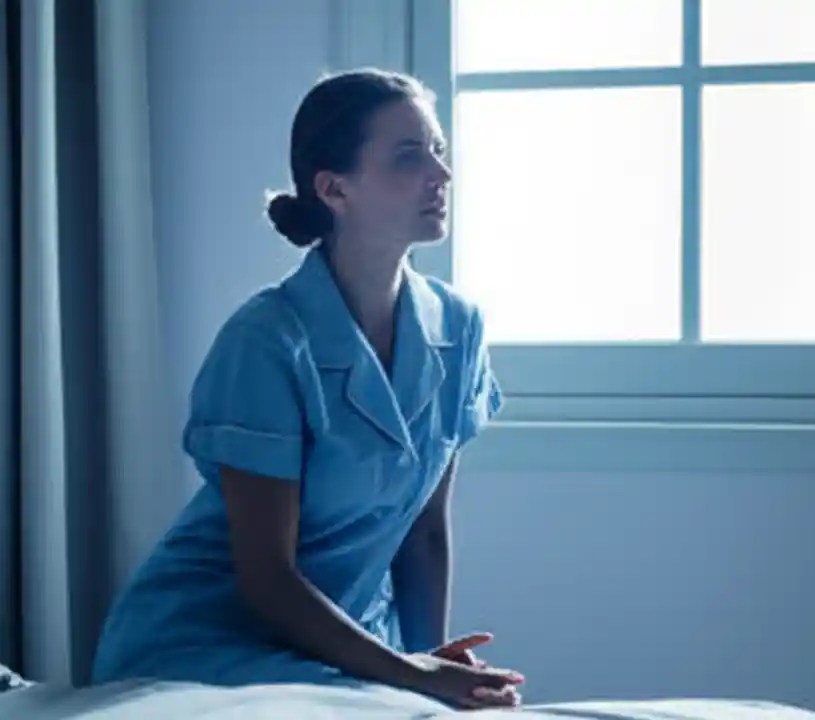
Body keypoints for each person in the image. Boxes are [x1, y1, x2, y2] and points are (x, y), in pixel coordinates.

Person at [90, 68, 523, 710]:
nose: (441, 174)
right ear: (333, 188)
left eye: (438, 150)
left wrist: (429, 677)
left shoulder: (459, 329)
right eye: (410, 156)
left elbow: (424, 533)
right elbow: (268, 577)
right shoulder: (266, 341)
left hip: (341, 648)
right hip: (207, 645)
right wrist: (410, 678)